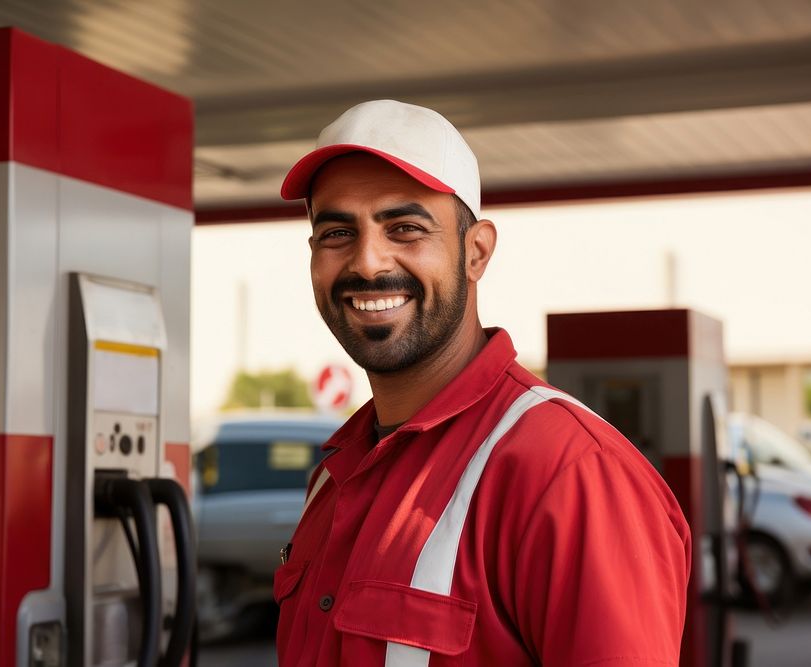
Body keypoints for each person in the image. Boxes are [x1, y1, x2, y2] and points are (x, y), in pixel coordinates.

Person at [274, 99, 690, 666]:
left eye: (405, 228)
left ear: (477, 251)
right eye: (337, 232)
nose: (368, 262)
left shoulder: (571, 474)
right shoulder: (334, 476)